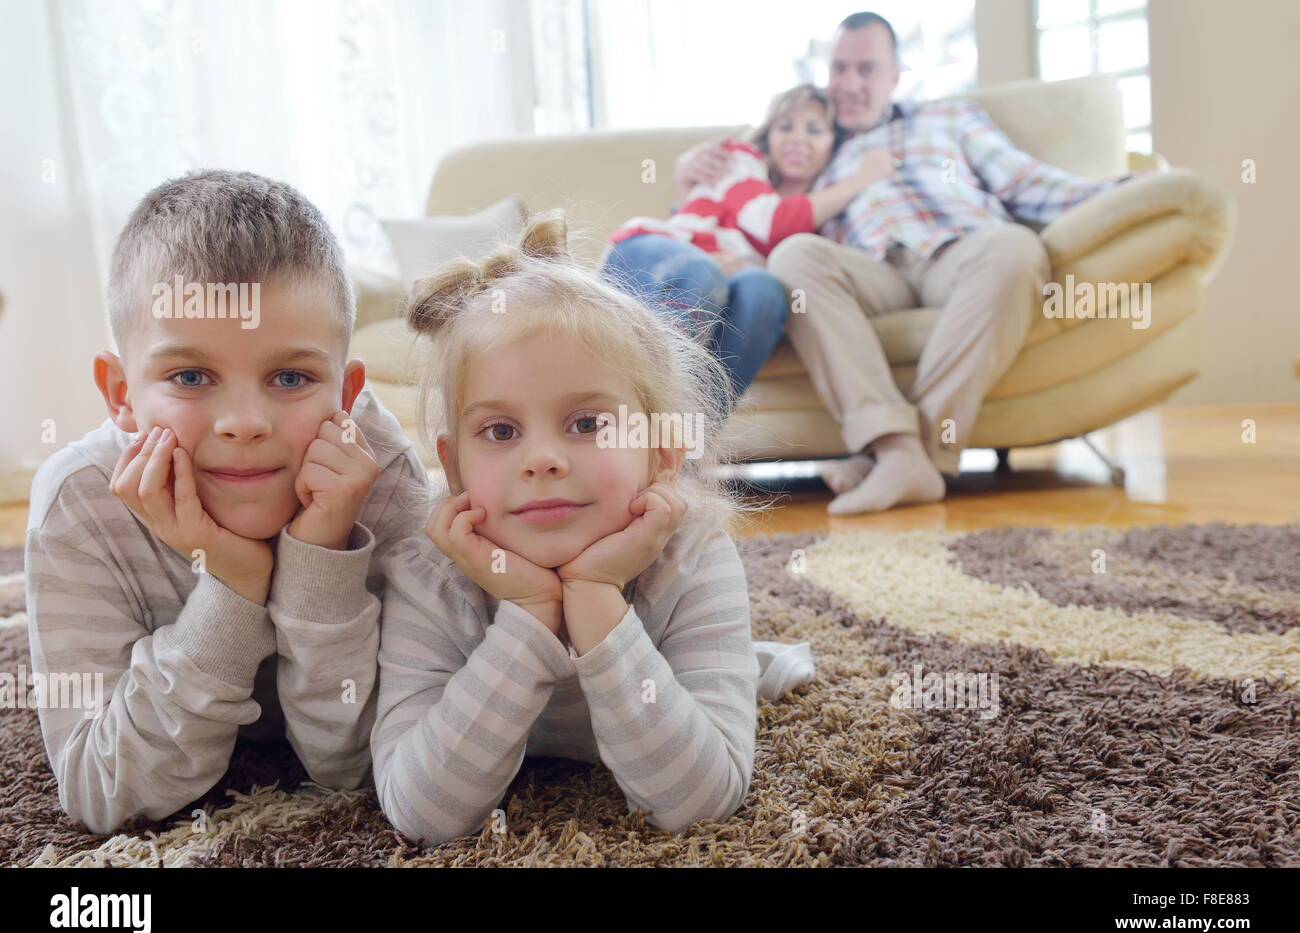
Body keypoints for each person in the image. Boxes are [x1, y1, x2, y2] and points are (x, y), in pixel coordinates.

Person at [370, 210, 814, 846]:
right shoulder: (428, 569)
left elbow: (700, 803)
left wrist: (596, 596)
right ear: (454, 468)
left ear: (662, 453)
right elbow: (422, 814)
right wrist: (527, 612)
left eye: (586, 424)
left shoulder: (691, 553)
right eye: (500, 431)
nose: (542, 459)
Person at [24, 170, 431, 833]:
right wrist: (233, 584)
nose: (245, 422)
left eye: (291, 377)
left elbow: (365, 764)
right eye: (191, 376)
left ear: (347, 392)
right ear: (120, 394)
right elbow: (103, 790)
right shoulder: (79, 503)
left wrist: (319, 559)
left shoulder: (381, 474)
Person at [676, 11, 1137, 514]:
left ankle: (911, 458)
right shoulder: (814, 139)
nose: (849, 84)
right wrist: (690, 167)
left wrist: (1118, 193)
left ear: (895, 76)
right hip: (867, 272)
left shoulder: (948, 118)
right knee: (794, 256)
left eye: (866, 70)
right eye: (840, 69)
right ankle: (898, 452)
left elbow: (1026, 183)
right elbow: (751, 191)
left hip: (962, 251)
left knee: (1016, 248)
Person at [603, 84, 886, 406]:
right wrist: (862, 180)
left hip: (718, 282)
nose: (798, 138)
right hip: (650, 255)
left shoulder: (824, 216)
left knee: (764, 292)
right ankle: (643, 415)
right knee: (701, 272)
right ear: (769, 134)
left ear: (835, 142)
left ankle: (687, 441)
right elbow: (771, 222)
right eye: (785, 126)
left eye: (815, 129)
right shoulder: (739, 159)